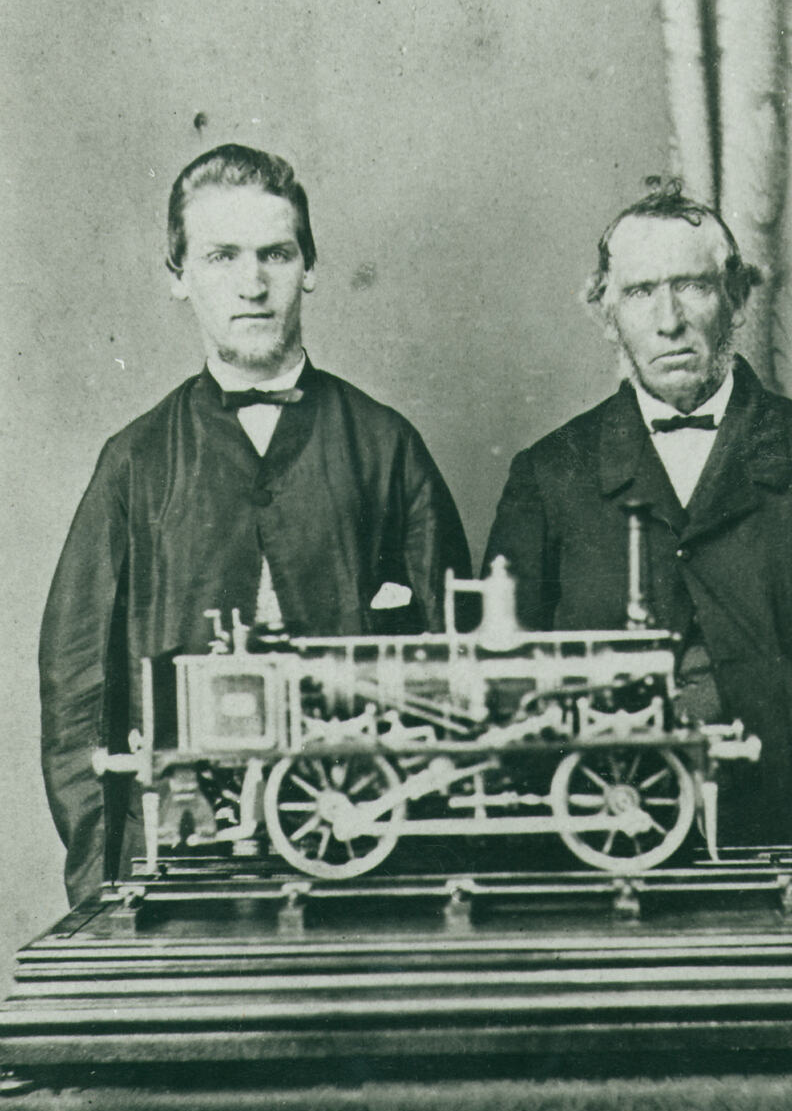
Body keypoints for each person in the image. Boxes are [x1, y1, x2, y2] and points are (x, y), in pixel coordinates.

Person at [484, 178, 792, 931]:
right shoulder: (548, 478)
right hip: (600, 888)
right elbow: (497, 719)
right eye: (639, 293)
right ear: (606, 315)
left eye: (693, 286)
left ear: (737, 299)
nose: (668, 320)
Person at [40, 144, 470, 905]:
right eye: (220, 256)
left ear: (309, 265)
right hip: (179, 871)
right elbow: (76, 689)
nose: (252, 283)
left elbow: (464, 669)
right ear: (178, 278)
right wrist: (106, 870)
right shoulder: (134, 462)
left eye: (276, 253)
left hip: (363, 858)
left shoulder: (386, 446)